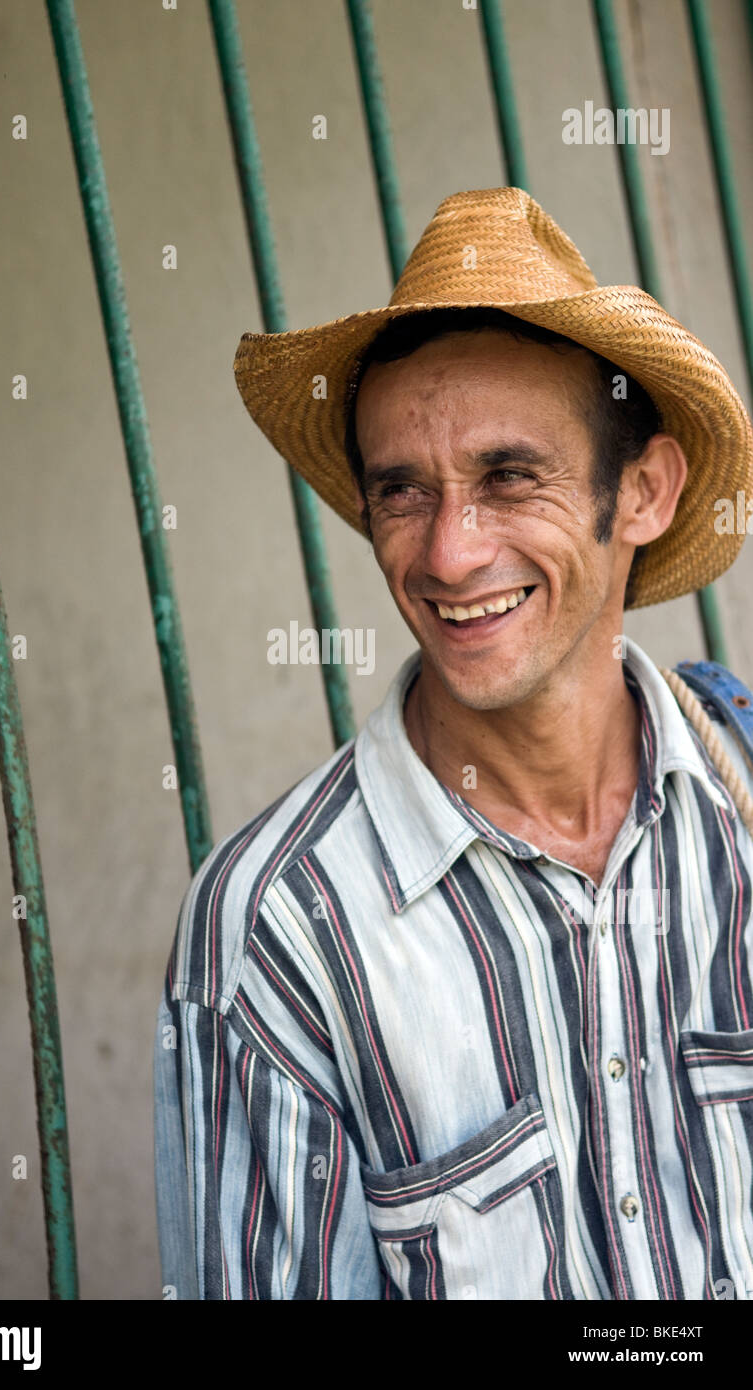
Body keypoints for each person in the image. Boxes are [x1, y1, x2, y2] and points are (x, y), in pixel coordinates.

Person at [154, 186, 753, 1300]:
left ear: (643, 492)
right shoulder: (280, 928)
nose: (446, 551)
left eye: (507, 476)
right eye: (401, 492)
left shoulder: (741, 805)